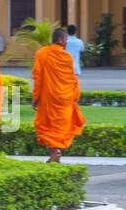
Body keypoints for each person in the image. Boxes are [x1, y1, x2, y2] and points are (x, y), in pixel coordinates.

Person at [32, 27, 86, 164]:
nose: (67, 42)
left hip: (49, 97)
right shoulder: (66, 56)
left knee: (47, 125)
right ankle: (56, 153)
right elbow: (72, 78)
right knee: (60, 127)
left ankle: (54, 152)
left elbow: (38, 78)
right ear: (60, 40)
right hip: (64, 98)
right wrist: (75, 95)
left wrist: (35, 98)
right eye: (66, 39)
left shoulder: (42, 54)